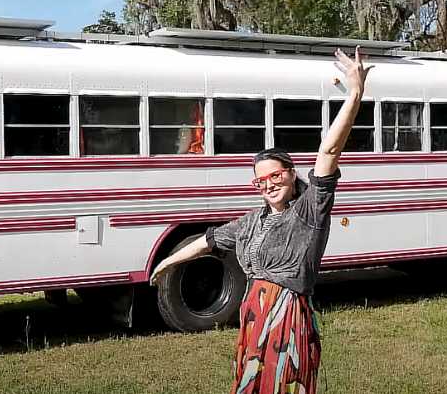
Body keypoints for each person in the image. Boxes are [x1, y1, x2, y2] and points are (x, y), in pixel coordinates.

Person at [150, 46, 373, 394]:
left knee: (283, 384)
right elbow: (206, 241)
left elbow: (328, 151)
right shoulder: (251, 221)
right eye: (261, 180)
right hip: (254, 313)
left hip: (287, 315)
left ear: (291, 173)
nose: (269, 184)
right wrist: (167, 262)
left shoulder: (310, 210)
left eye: (275, 176)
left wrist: (355, 94)